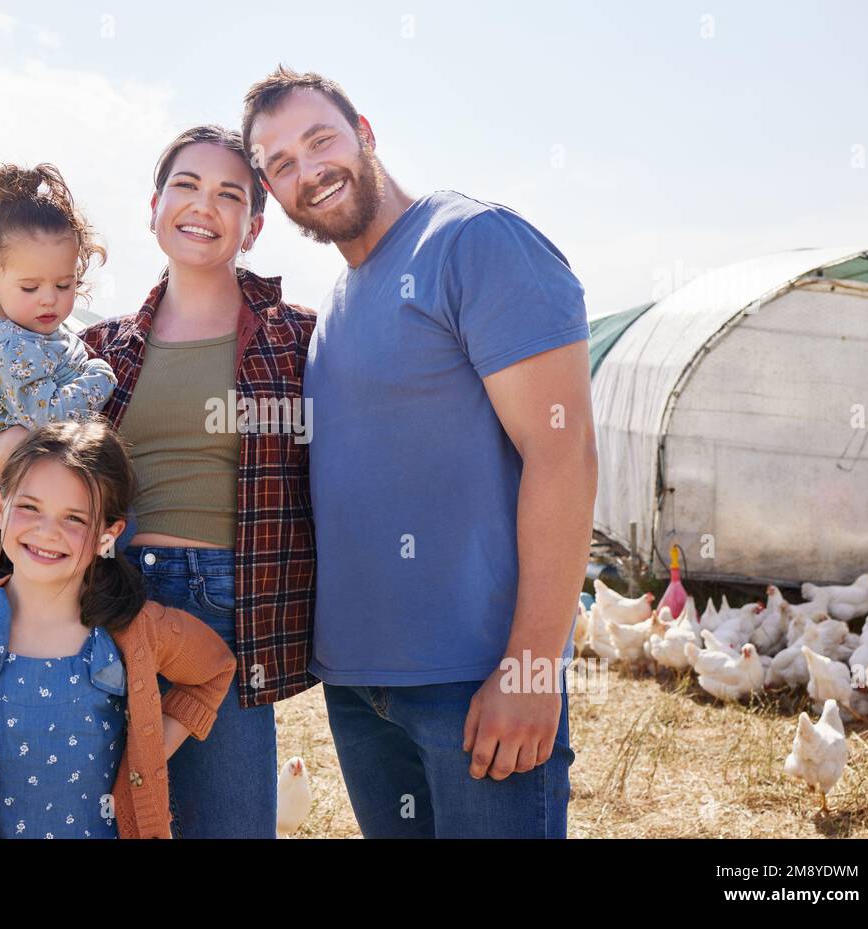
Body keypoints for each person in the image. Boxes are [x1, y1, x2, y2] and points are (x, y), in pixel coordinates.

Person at [243, 66, 598, 838]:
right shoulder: (333, 308)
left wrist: (533, 666)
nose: (308, 170)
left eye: (319, 139)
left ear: (365, 132)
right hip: (358, 686)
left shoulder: (473, 241)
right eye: (280, 165)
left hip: (472, 683)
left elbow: (564, 456)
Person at [0, 126, 317, 838]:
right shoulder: (99, 347)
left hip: (231, 605)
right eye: (185, 185)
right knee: (103, 815)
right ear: (155, 205)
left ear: (255, 224)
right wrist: (16, 446)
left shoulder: (296, 339)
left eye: (229, 193)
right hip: (105, 595)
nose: (202, 206)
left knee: (230, 822)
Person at [0, 420, 236, 838]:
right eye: (30, 507)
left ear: (108, 534)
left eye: (74, 518)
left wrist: (147, 753)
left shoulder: (135, 629)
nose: (47, 531)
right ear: (0, 506)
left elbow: (213, 668)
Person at [0, 162, 117, 485]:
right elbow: (48, 417)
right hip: (29, 468)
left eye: (63, 285)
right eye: (30, 287)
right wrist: (101, 376)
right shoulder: (11, 345)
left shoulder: (41, 331)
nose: (49, 299)